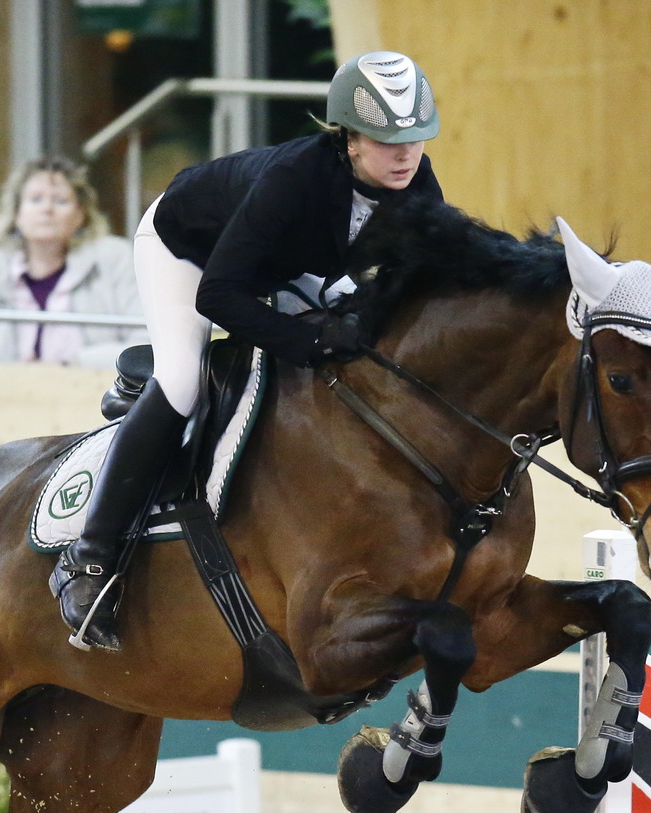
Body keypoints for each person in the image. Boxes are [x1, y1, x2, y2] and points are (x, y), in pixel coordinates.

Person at [52, 51, 445, 652]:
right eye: (387, 138)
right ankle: (90, 558)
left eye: (415, 138)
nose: (405, 153)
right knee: (184, 379)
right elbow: (219, 297)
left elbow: (422, 279)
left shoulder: (419, 184)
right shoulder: (295, 180)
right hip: (188, 252)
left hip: (286, 265)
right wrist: (313, 340)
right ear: (348, 137)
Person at [0, 156, 144, 368]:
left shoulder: (114, 259)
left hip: (96, 393)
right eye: (35, 200)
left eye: (60, 201)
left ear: (80, 215)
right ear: (17, 213)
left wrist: (71, 364)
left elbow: (146, 345)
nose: (47, 209)